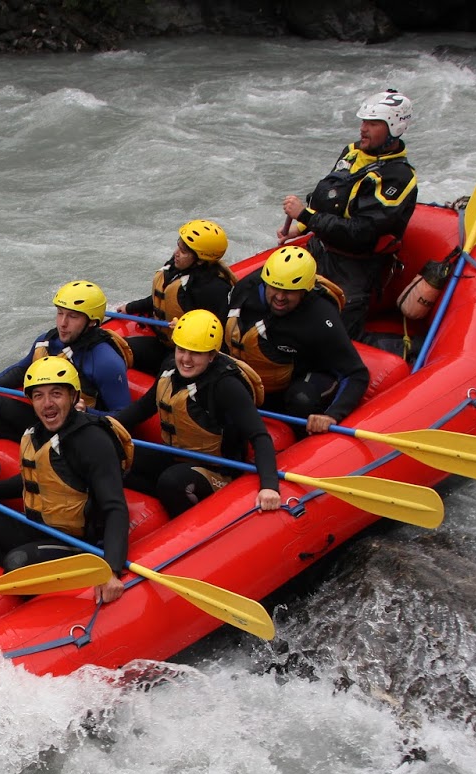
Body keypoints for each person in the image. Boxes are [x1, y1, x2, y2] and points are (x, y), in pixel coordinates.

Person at [0, 356, 132, 605]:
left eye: (56, 394)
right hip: (36, 527)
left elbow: (115, 507)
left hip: (75, 542)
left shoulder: (92, 441)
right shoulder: (37, 433)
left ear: (73, 397)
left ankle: (29, 576)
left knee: (17, 563)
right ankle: (25, 571)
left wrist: (111, 570)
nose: (47, 404)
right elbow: (36, 479)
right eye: (38, 396)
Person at [107, 309, 282, 518]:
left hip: (216, 469)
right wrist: (104, 426)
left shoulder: (226, 385)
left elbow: (259, 436)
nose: (186, 359)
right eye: (182, 350)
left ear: (212, 355)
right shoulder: (170, 368)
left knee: (172, 482)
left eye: (196, 353)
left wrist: (270, 485)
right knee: (113, 457)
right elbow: (143, 407)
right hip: (175, 455)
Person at [277, 89, 418, 340]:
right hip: (319, 249)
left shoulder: (399, 177)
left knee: (333, 338)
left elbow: (361, 233)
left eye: (373, 124)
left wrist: (307, 218)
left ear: (394, 128)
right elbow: (328, 196)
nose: (363, 129)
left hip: (354, 268)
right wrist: (300, 228)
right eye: (363, 122)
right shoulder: (352, 152)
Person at [224, 246, 369, 435]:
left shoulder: (320, 316)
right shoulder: (246, 289)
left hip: (305, 376)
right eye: (275, 288)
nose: (280, 297)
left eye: (289, 292)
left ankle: (303, 446)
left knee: (301, 399)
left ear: (304, 291)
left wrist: (333, 415)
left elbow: (356, 374)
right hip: (258, 377)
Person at [0, 280, 134, 441]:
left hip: (80, 428)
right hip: (48, 417)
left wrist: (87, 413)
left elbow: (124, 416)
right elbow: (21, 370)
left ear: (92, 321)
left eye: (73, 316)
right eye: (60, 313)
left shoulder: (106, 361)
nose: (63, 323)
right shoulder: (47, 341)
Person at [116, 219, 237, 374]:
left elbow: (218, 335)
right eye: (178, 246)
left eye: (183, 251)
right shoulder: (177, 266)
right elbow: (163, 297)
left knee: (167, 374)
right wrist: (131, 307)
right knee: (114, 347)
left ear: (199, 261)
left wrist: (184, 328)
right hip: (166, 345)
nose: (176, 253)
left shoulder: (212, 289)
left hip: (189, 354)